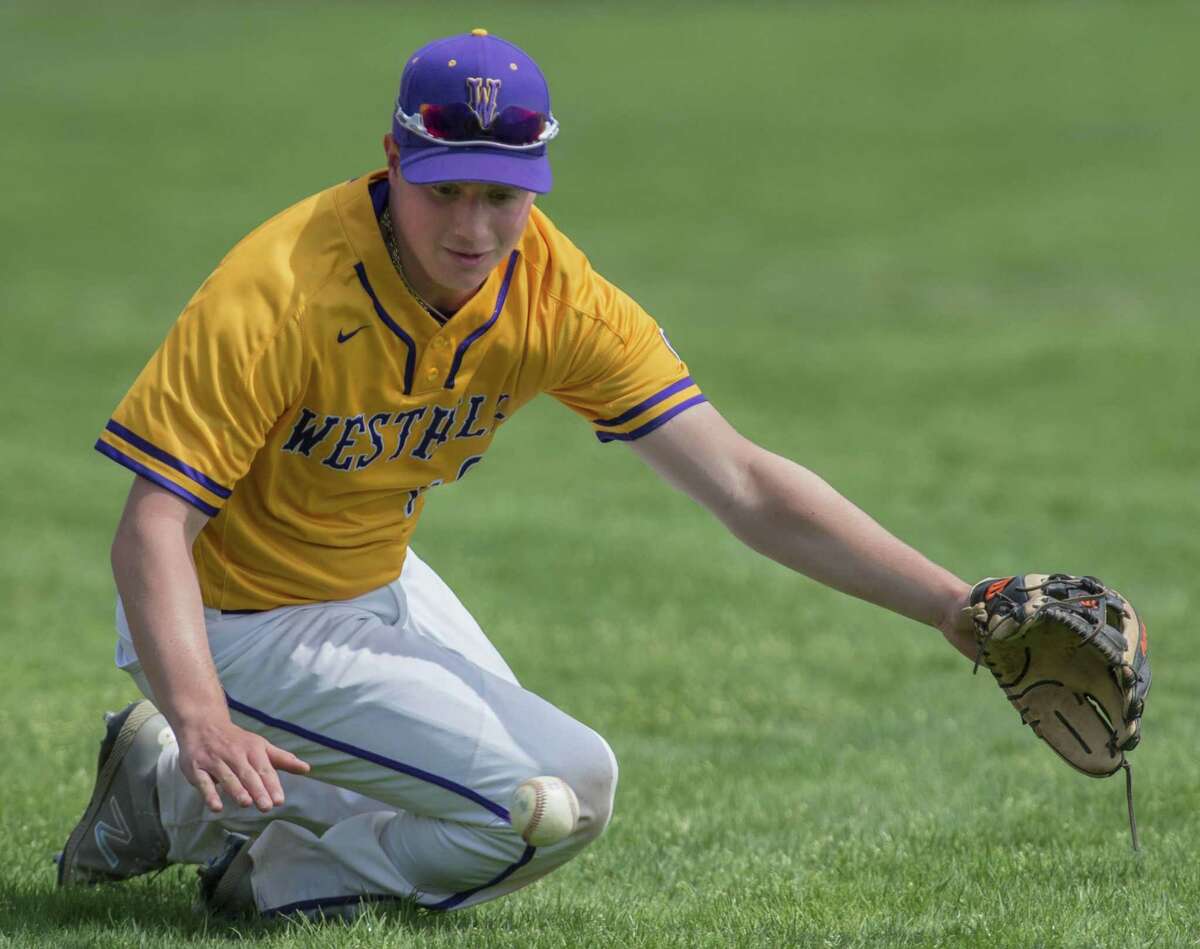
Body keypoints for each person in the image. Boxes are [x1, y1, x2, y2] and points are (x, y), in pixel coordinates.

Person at [58, 28, 979, 918]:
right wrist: (202, 709)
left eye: (502, 195)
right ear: (392, 157)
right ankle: (266, 878)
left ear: (539, 180)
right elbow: (150, 529)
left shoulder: (552, 296)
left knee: (536, 788)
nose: (472, 226)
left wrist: (952, 606)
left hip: (376, 580)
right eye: (445, 188)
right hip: (227, 620)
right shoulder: (281, 290)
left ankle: (171, 794)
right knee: (550, 795)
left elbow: (742, 482)